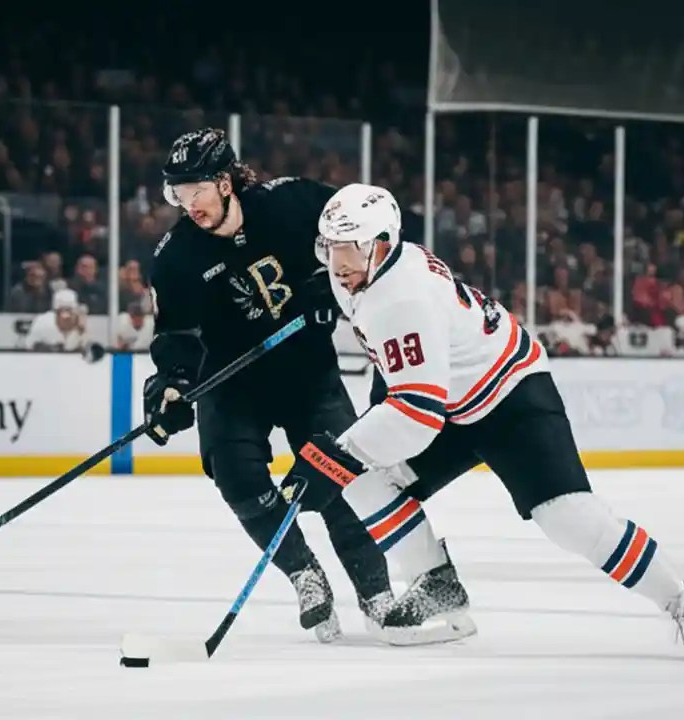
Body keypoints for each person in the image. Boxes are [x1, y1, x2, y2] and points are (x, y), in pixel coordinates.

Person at [279, 183, 684, 661]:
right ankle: (435, 581)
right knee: (360, 479)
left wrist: (340, 453)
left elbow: (417, 418)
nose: (337, 261)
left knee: (568, 518)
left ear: (383, 243)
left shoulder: (403, 301)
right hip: (452, 398)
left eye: (349, 248)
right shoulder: (364, 270)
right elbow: (414, 395)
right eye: (330, 247)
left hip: (510, 396)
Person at [142, 129, 458, 643]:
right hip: (231, 381)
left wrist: (326, 288)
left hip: (306, 370)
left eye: (196, 190)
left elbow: (367, 245)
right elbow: (175, 336)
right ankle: (303, 573)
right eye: (178, 194)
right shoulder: (176, 256)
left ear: (225, 183)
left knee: (340, 474)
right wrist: (171, 386)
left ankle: (375, 592)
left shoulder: (294, 204)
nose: (188, 203)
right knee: (235, 475)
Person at [25, 287, 105, 362]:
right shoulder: (43, 321)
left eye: (70, 311)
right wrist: (52, 349)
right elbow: (29, 346)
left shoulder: (83, 323)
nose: (66, 316)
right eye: (62, 311)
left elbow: (93, 354)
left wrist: (82, 332)